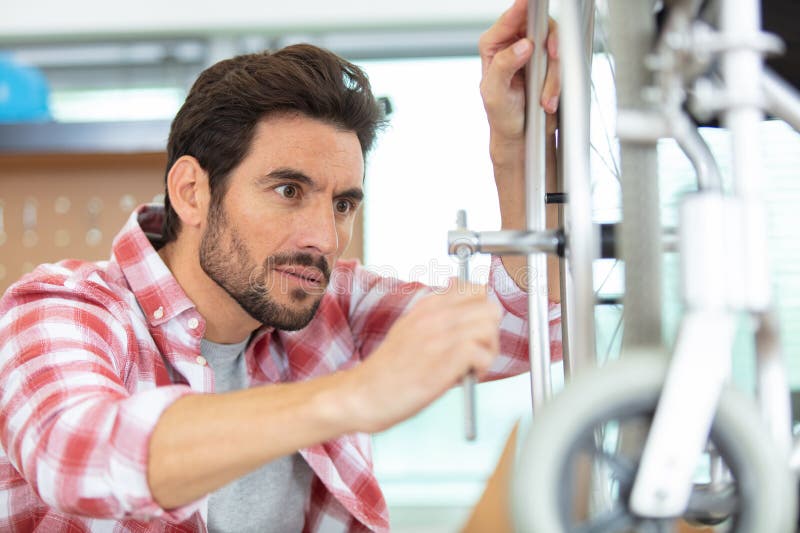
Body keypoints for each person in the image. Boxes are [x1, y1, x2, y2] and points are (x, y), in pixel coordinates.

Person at [0, 0, 561, 530]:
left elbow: (525, 328)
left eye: (342, 203)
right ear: (192, 192)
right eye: (289, 190)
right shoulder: (63, 308)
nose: (324, 237)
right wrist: (354, 396)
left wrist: (515, 151)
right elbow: (73, 455)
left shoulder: (335, 302)